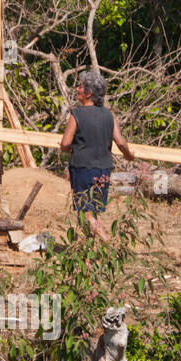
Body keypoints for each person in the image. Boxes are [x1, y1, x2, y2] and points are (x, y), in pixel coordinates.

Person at [59, 70, 137, 241]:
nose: (77, 89)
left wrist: (67, 149)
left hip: (82, 169)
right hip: (103, 169)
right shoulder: (109, 115)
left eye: (80, 86)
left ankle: (106, 242)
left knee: (84, 212)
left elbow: (65, 143)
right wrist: (129, 156)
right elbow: (121, 142)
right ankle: (90, 255)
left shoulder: (76, 115)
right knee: (93, 210)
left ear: (89, 93)